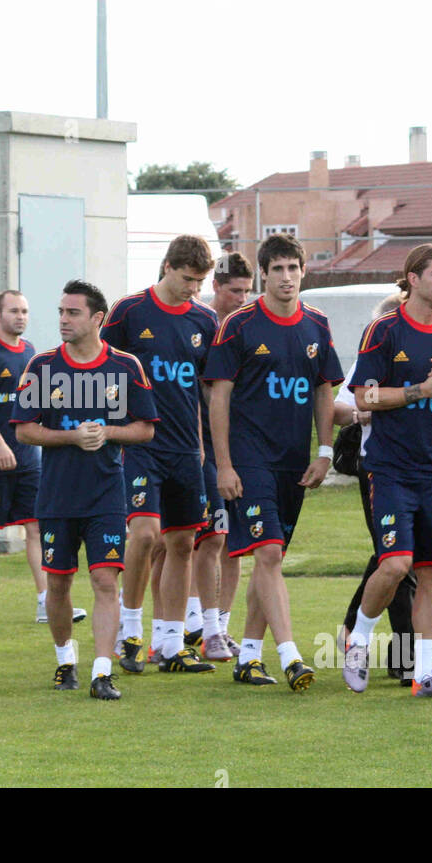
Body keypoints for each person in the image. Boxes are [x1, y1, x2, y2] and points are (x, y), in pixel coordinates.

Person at [344, 244, 432, 699]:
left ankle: (425, 676)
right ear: (413, 278)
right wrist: (417, 390)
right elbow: (363, 398)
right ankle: (358, 640)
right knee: (395, 563)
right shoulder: (384, 330)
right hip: (389, 469)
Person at [205, 234, 343, 689]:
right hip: (249, 459)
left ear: (304, 271)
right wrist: (223, 464)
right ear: (264, 273)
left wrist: (325, 452)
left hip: (294, 460)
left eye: (293, 268)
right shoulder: (240, 325)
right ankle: (290, 656)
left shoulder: (317, 325)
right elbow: (218, 397)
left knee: (272, 556)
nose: (286, 277)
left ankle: (248, 657)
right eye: (278, 269)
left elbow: (326, 389)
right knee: (266, 553)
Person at [13, 280, 158, 700]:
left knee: (105, 582)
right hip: (57, 496)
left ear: (97, 319)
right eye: (60, 311)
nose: (63, 319)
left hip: (107, 496)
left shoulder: (125, 366)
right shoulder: (42, 367)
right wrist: (72, 437)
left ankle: (101, 672)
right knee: (58, 585)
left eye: (72, 313)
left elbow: (146, 428)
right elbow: (24, 430)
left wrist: (108, 432)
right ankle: (65, 661)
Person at [101, 234, 218, 674]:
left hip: (188, 448)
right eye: (188, 279)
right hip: (139, 445)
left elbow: (208, 391)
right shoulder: (129, 313)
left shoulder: (205, 321)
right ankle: (128, 632)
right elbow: (100, 365)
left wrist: (208, 450)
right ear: (167, 266)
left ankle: (168, 644)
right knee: (146, 536)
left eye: (200, 281)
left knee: (183, 542)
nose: (194, 289)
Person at [0, 290, 86, 624]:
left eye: (25, 311)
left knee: (35, 526)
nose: (21, 316)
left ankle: (46, 601)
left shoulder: (30, 352)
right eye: (14, 310)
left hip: (29, 458)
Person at [177, 253, 254, 659]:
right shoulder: (204, 326)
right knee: (192, 538)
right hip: (198, 448)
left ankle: (218, 626)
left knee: (232, 541)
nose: (242, 298)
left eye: (247, 290)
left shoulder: (248, 330)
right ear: (217, 288)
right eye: (234, 290)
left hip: (242, 451)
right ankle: (190, 621)